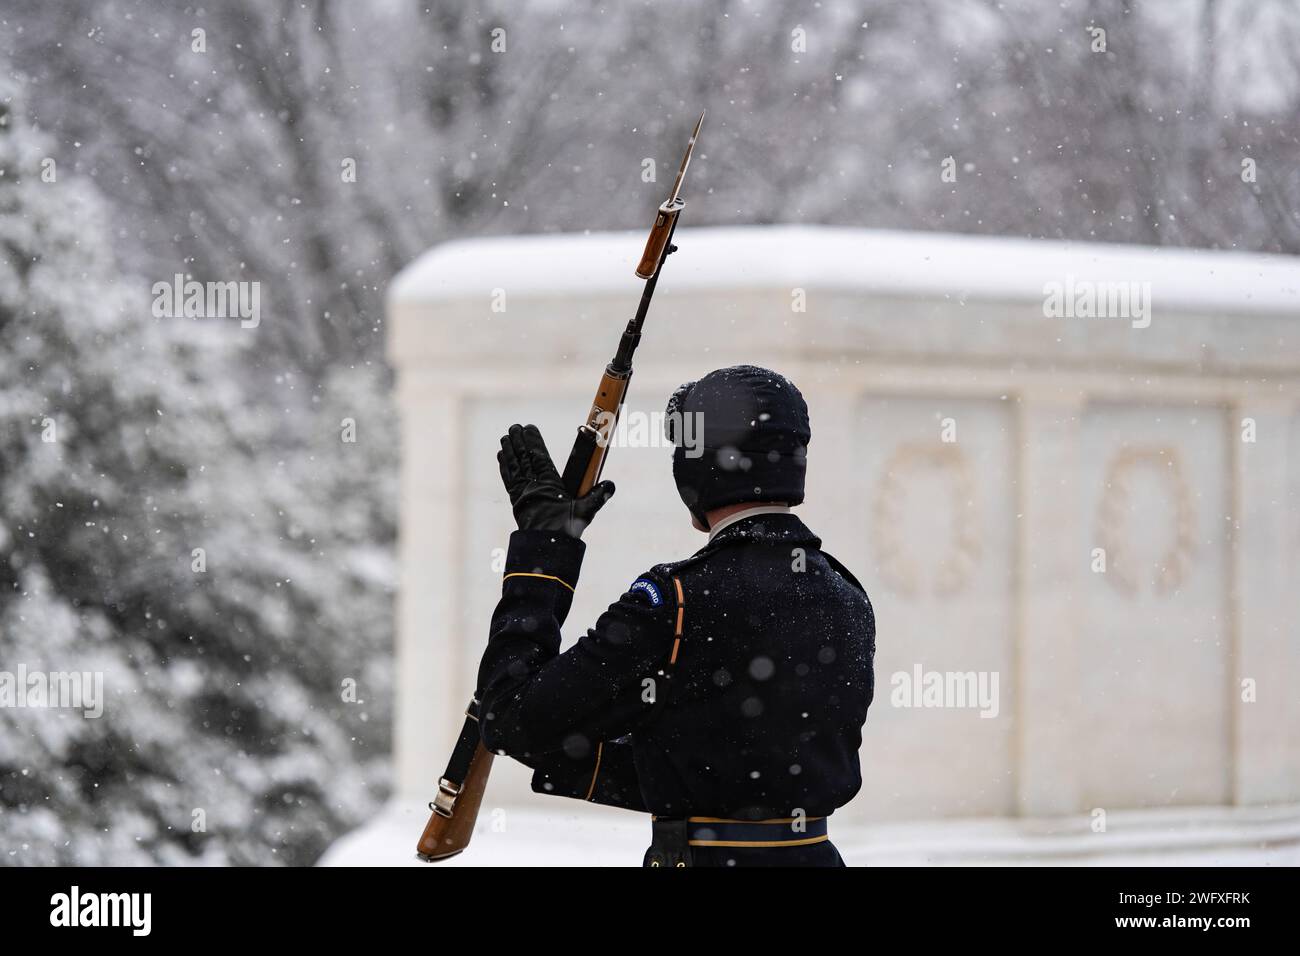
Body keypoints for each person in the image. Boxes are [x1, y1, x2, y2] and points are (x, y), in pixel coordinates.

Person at [476, 365, 876, 866]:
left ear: (697, 467)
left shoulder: (676, 599)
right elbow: (736, 758)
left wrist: (545, 550)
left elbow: (512, 715)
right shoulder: (846, 594)